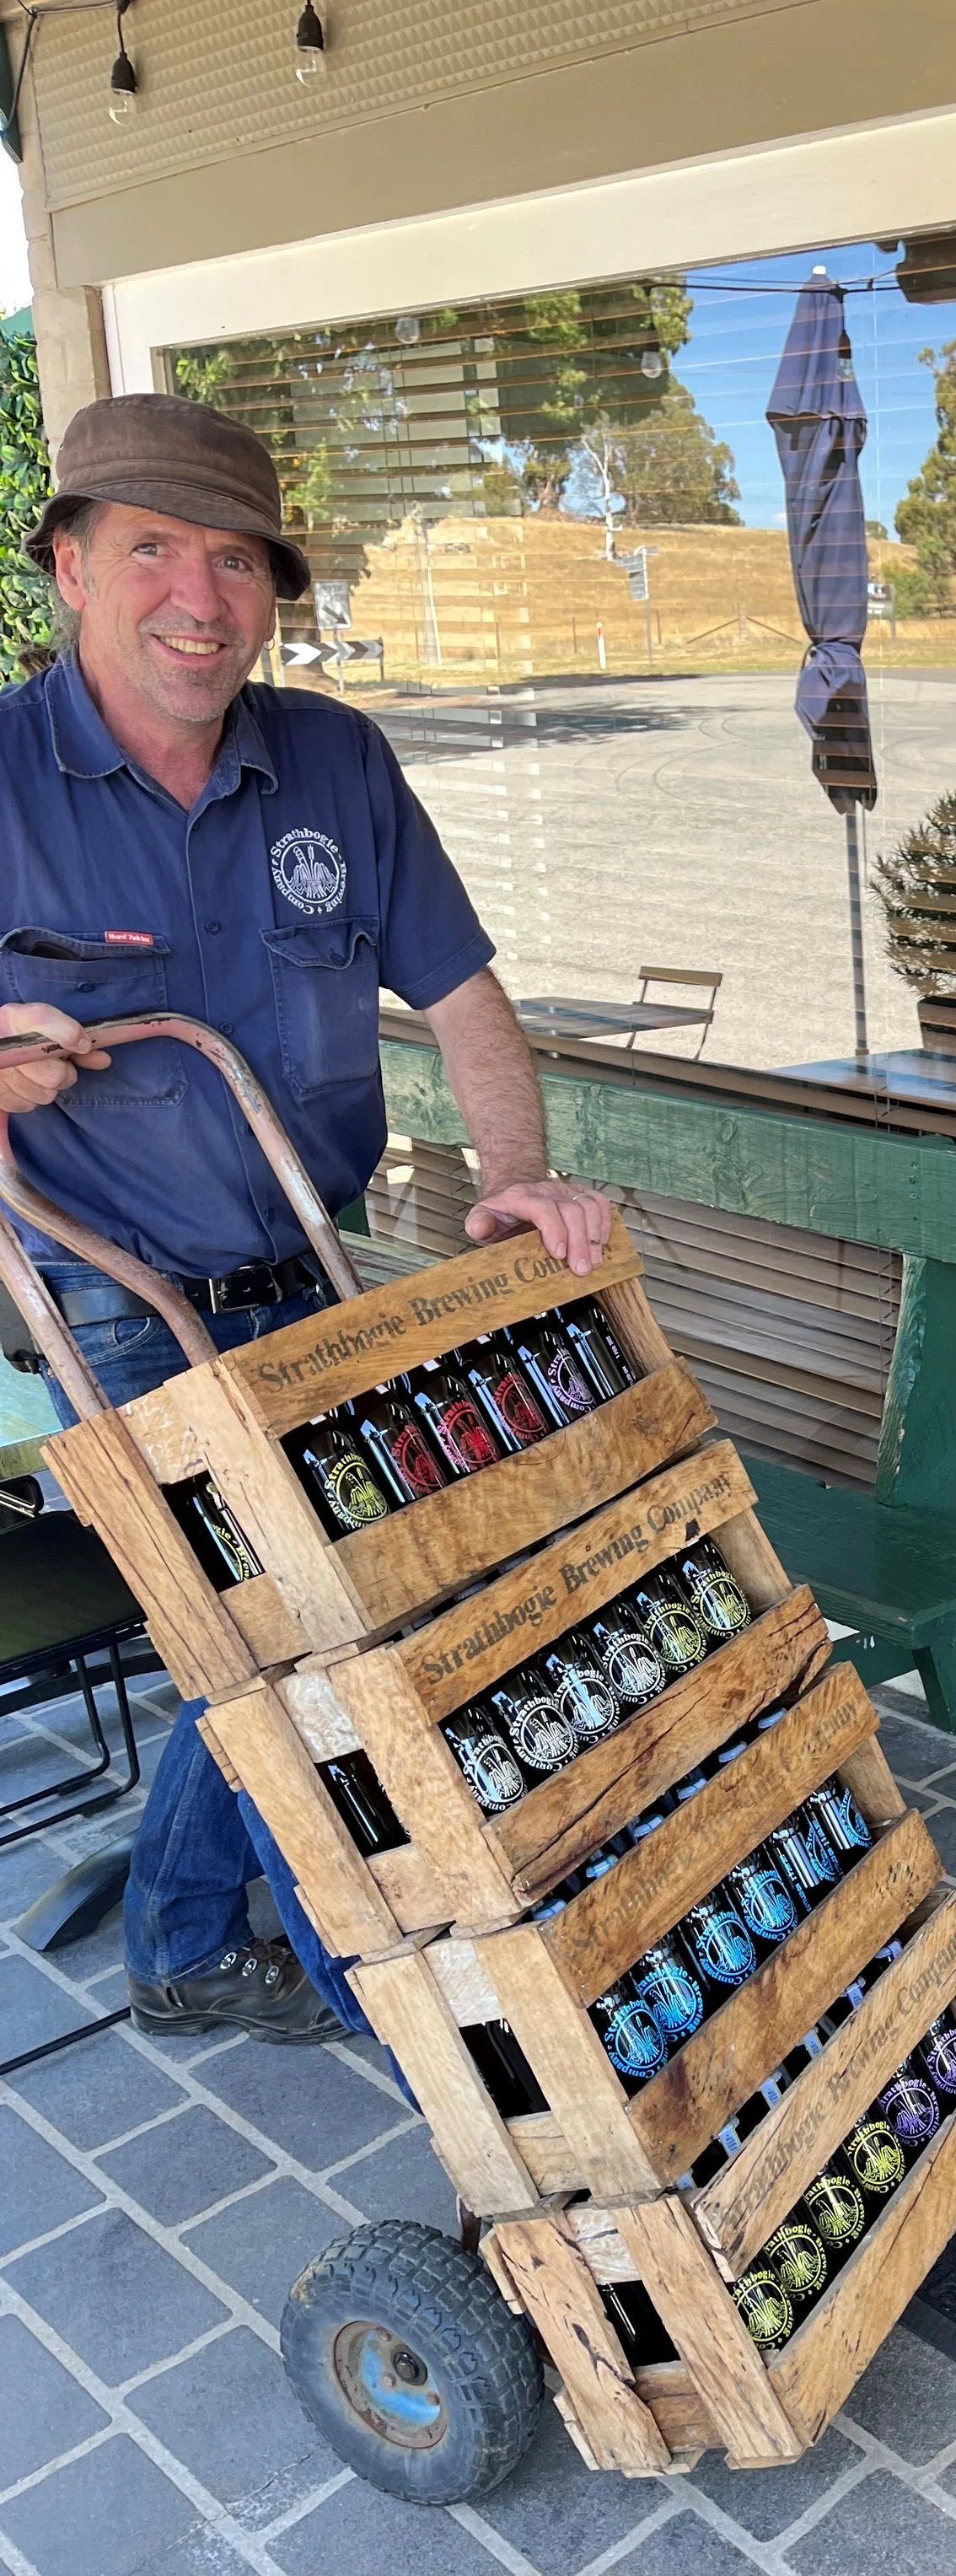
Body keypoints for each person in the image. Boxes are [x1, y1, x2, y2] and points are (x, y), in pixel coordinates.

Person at [0, 391, 613, 2041]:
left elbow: (468, 996)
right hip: (118, 1296)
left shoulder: (331, 757)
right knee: (274, 1624)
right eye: (151, 551)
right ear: (69, 565)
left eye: (234, 561)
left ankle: (195, 1934)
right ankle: (352, 1968)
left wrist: (512, 1171)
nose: (198, 596)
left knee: (293, 1615)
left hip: (321, 1267)